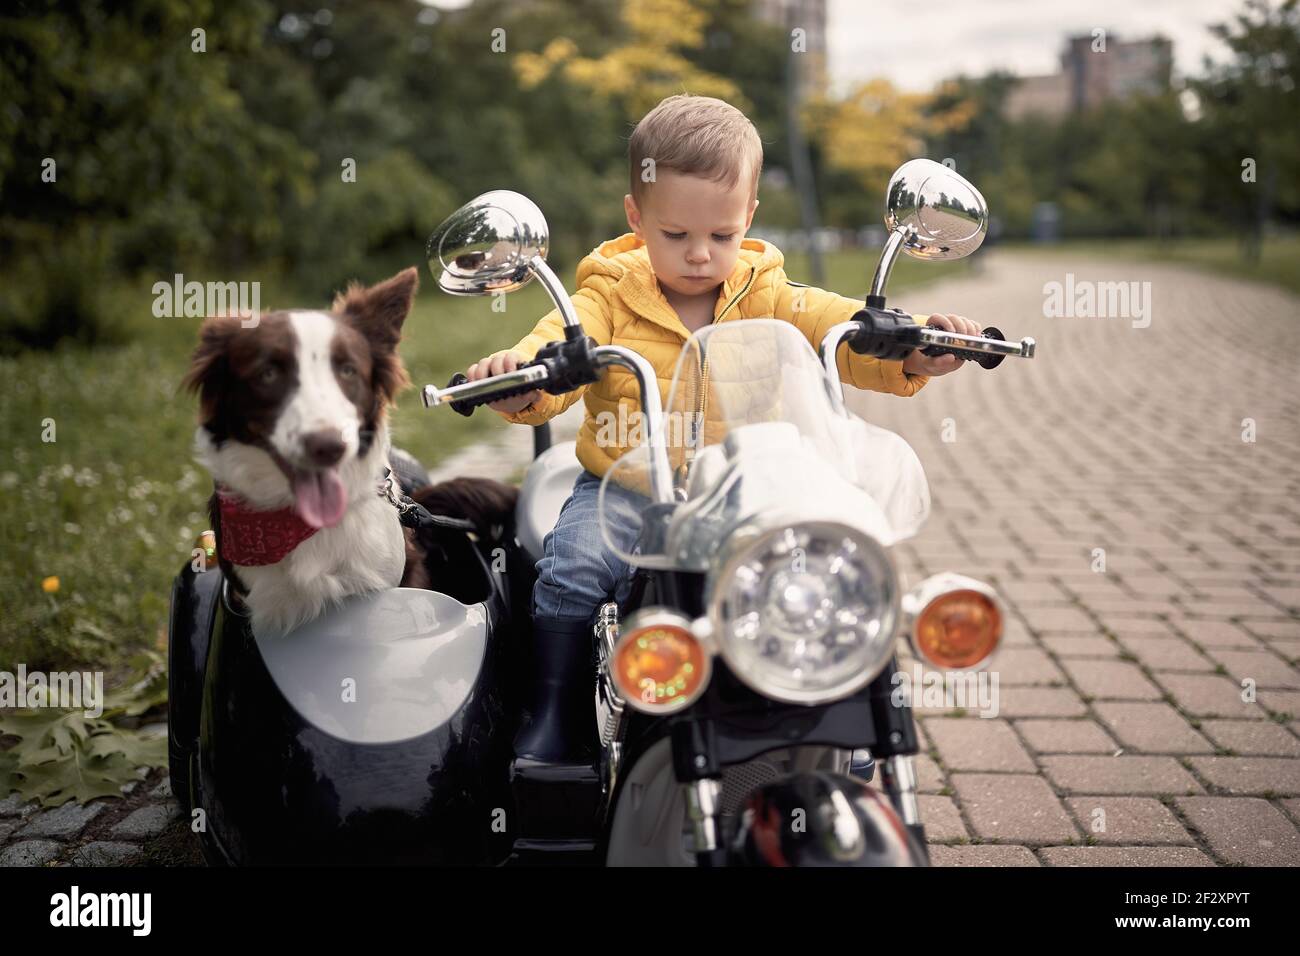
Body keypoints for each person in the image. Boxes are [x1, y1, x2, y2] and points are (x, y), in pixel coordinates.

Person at [466, 94, 979, 761]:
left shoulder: (768, 290)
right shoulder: (606, 294)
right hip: (628, 489)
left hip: (745, 493)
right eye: (676, 235)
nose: (702, 255)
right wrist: (523, 376)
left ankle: (827, 712)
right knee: (573, 567)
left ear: (750, 219)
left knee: (818, 573)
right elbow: (558, 343)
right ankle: (557, 721)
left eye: (723, 235)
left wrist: (910, 344)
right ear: (636, 216)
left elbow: (836, 326)